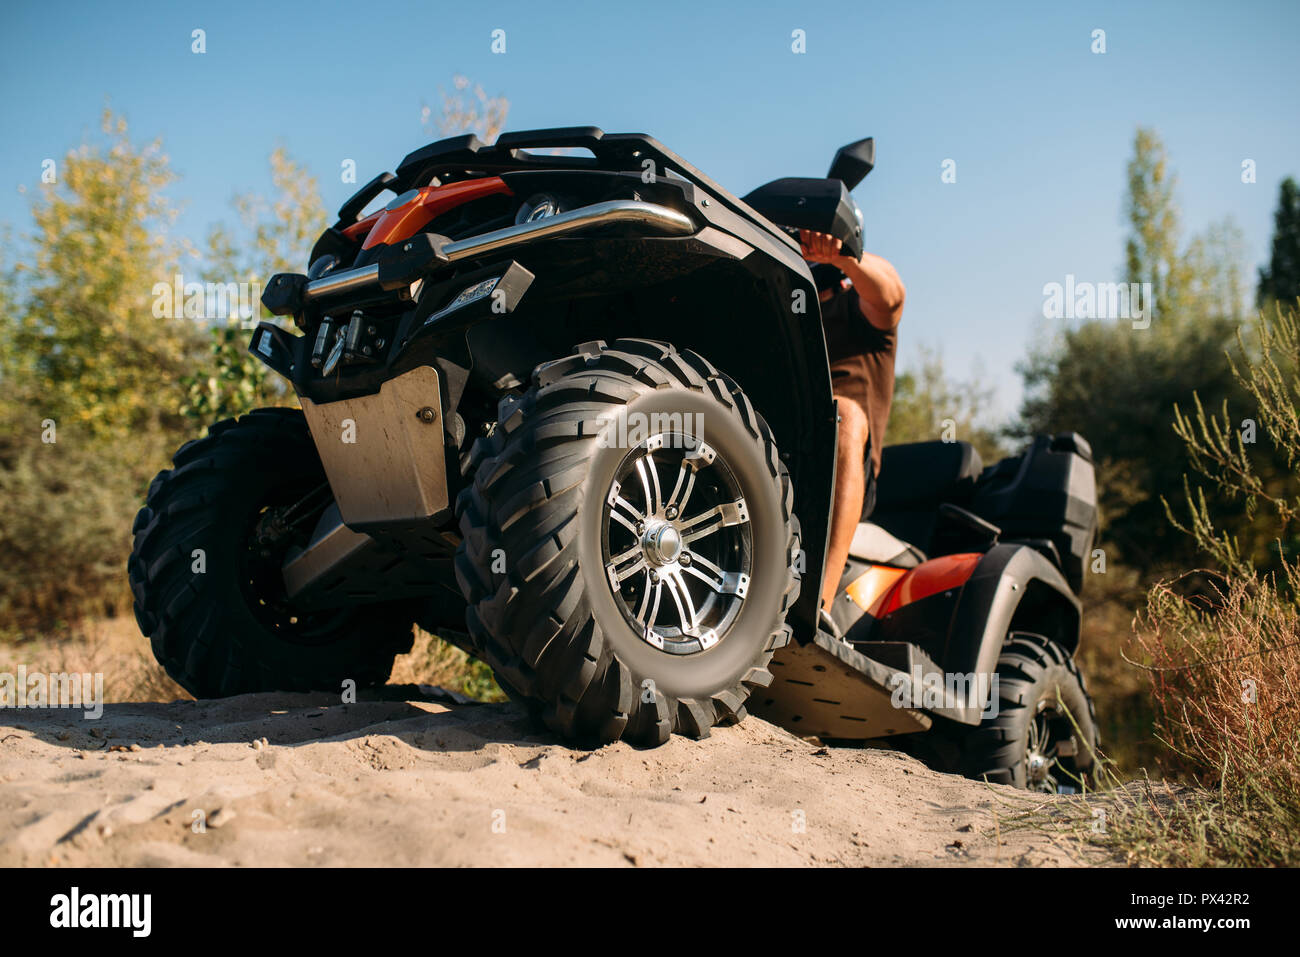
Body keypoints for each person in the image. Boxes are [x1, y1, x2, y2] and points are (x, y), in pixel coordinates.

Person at [797, 229, 906, 618]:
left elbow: (891, 294)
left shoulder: (858, 309)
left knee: (842, 413)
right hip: (783, 448)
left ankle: (818, 606)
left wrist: (843, 255)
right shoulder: (782, 316)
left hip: (844, 458)